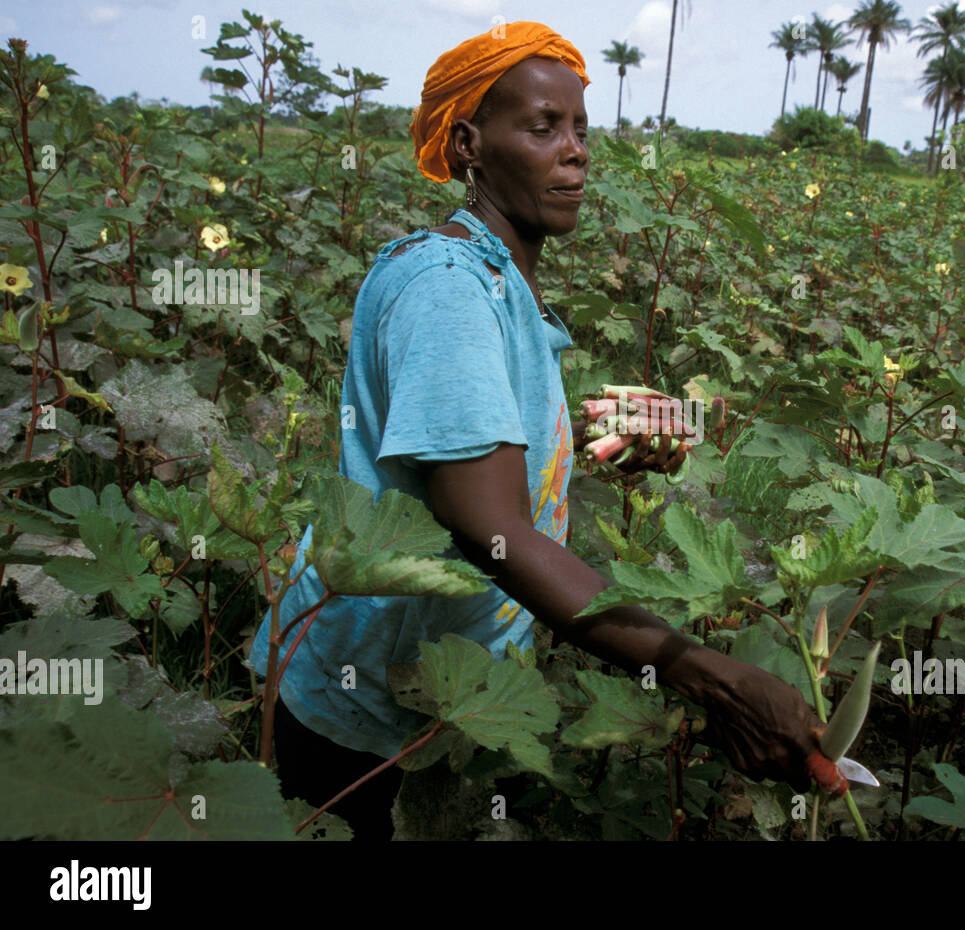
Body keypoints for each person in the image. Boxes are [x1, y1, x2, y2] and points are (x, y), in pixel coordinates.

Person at [248, 21, 824, 841]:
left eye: (581, 129)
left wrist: (603, 433)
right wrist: (705, 675)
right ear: (469, 143)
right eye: (543, 126)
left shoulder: (495, 278)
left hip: (454, 694)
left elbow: (486, 447)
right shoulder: (448, 287)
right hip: (367, 713)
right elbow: (491, 528)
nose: (576, 151)